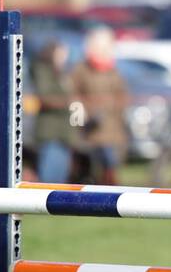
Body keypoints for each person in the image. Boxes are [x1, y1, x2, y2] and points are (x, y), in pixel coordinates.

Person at [68, 27, 130, 185]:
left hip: (113, 132)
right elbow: (72, 97)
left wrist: (115, 106)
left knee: (110, 172)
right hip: (89, 133)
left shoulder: (114, 70)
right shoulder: (80, 70)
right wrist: (86, 115)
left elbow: (122, 96)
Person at [30, 41, 76, 183]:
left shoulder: (62, 72)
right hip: (50, 133)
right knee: (48, 179)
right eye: (61, 54)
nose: (64, 58)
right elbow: (46, 97)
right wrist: (71, 103)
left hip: (64, 134)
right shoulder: (42, 70)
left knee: (60, 178)